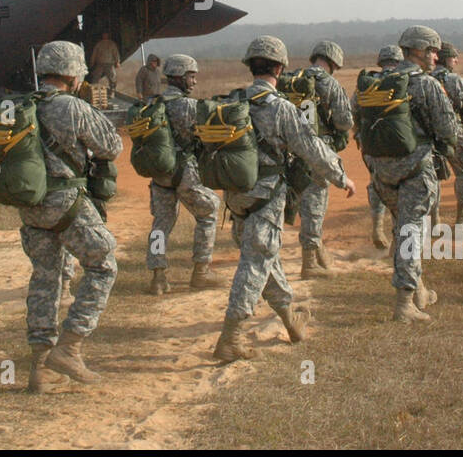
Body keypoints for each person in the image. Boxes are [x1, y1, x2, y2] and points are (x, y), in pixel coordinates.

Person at [213, 36, 354, 361]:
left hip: (235, 196)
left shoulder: (233, 102)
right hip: (267, 194)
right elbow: (311, 148)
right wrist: (341, 176)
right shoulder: (280, 108)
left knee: (263, 255)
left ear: (250, 66)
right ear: (280, 67)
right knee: (257, 260)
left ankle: (291, 319)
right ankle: (230, 337)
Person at [19, 41, 123, 393]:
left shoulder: (20, 105)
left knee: (46, 277)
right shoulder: (73, 107)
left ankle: (39, 367)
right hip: (66, 201)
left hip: (30, 205)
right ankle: (70, 347)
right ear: (73, 74)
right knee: (103, 263)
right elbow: (111, 146)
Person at [363, 26, 460, 324]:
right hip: (416, 171)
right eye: (431, 50)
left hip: (382, 174)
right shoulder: (427, 84)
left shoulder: (376, 82)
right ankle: (404, 302)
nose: (435, 55)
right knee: (411, 234)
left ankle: (419, 291)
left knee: (403, 229)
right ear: (417, 51)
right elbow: (448, 131)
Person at [144, 54, 223, 295]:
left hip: (160, 174)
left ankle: (158, 277)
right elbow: (206, 137)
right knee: (209, 210)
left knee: (160, 226)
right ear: (178, 76)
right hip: (186, 173)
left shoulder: (152, 104)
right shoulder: (188, 107)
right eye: (191, 76)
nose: (194, 81)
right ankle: (201, 271)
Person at [292, 41, 354, 278]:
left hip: (289, 150)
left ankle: (317, 253)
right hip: (318, 150)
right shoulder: (329, 83)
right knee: (314, 205)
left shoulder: (293, 78)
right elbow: (345, 122)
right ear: (334, 62)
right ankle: (309, 265)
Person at [356, 45, 405, 248]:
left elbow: (353, 110)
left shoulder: (368, 82)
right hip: (399, 146)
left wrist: (360, 135)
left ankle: (377, 227)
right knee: (401, 190)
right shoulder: (403, 81)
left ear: (380, 62)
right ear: (399, 61)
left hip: (372, 146)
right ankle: (396, 239)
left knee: (376, 184)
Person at [431, 42, 463, 224]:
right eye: (454, 57)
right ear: (445, 59)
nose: (456, 61)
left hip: (429, 136)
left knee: (434, 175)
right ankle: (462, 214)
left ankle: (434, 219)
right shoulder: (453, 79)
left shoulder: (424, 78)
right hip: (453, 133)